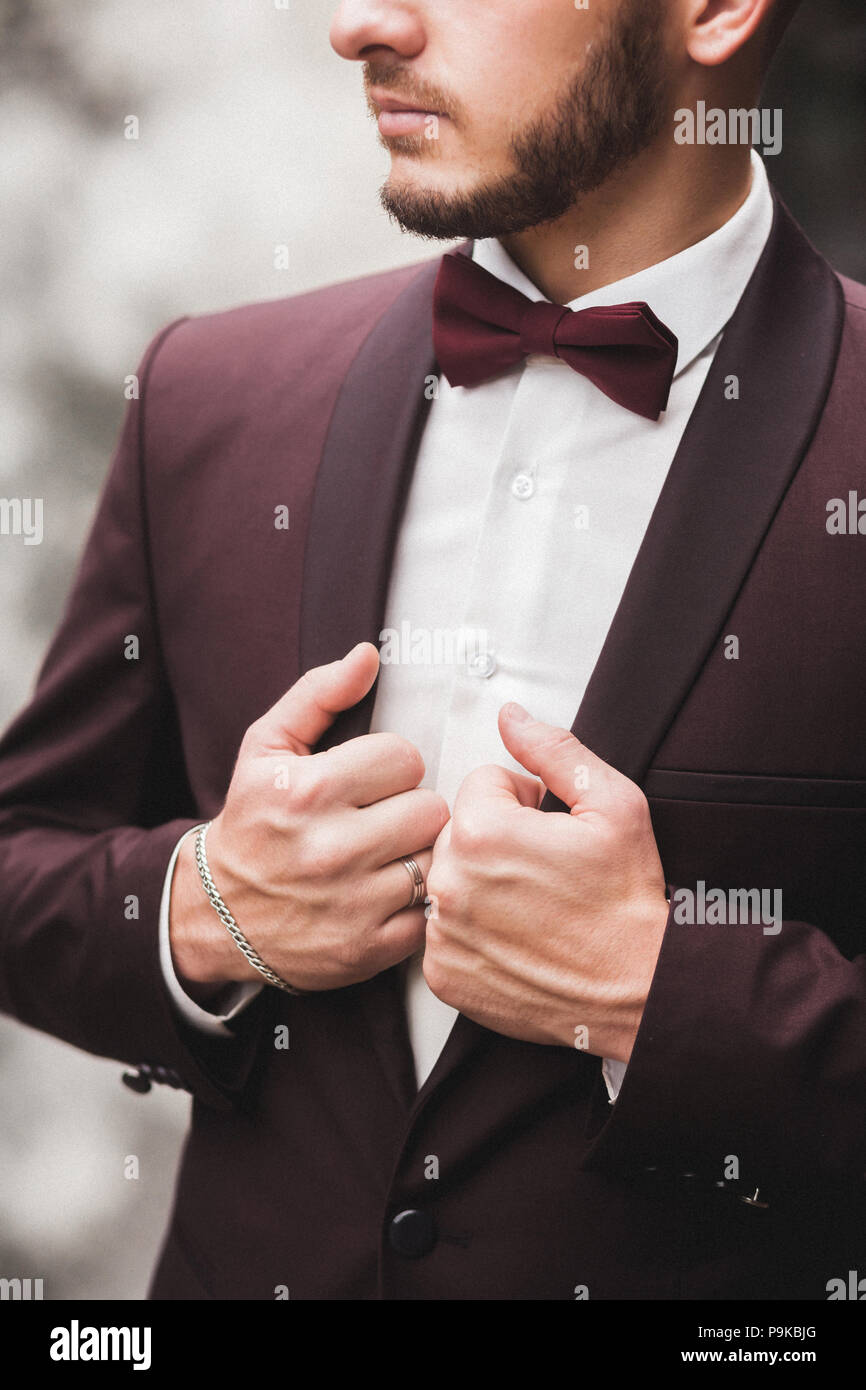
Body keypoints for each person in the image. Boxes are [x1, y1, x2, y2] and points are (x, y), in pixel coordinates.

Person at [1, 0, 863, 1300]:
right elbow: (23, 855)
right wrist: (206, 906)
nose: (359, 27)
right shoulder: (204, 392)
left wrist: (656, 993)